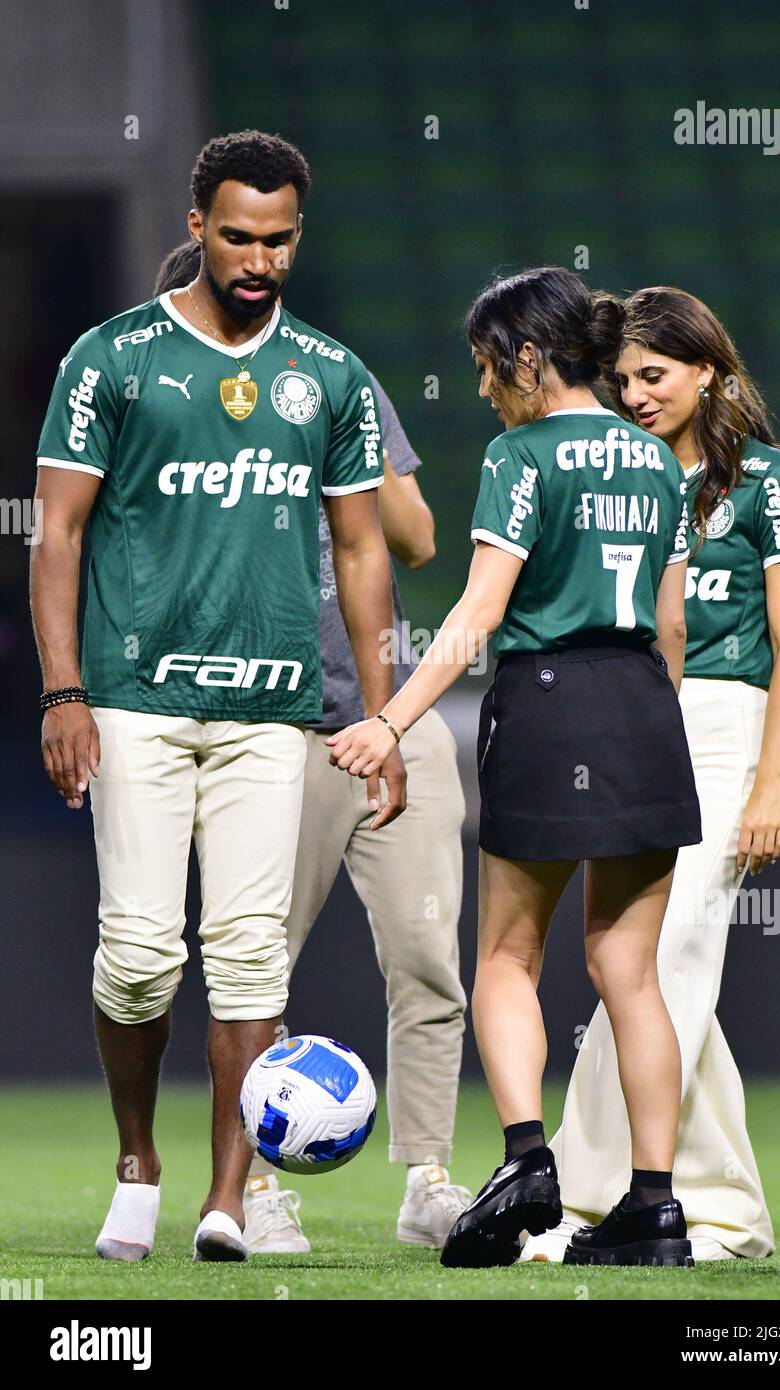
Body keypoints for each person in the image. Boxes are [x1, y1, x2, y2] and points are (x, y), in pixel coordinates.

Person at [30, 130, 405, 1264]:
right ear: (196, 226)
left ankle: (228, 1200)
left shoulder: (329, 375)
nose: (258, 258)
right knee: (139, 955)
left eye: (278, 239)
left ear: (298, 234)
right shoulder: (111, 358)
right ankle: (137, 1159)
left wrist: (381, 717)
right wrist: (63, 689)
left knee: (249, 956)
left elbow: (361, 553)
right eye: (237, 236)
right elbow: (58, 531)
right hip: (137, 696)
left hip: (270, 709)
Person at [327, 266, 703, 1268]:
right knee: (630, 974)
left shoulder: (520, 454)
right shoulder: (658, 459)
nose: (485, 386)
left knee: (505, 958)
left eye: (488, 367)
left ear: (527, 359)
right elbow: (670, 622)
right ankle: (654, 1208)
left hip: (548, 707)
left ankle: (525, 1160)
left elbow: (476, 614)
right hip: (642, 710)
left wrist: (389, 720)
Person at [152, 240, 470, 1253]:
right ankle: (257, 1192)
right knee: (256, 969)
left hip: (387, 721)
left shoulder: (335, 379)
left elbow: (416, 539)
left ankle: (427, 1177)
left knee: (427, 956)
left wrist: (339, 424)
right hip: (261, 725)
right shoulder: (160, 415)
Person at [522, 286, 780, 1263]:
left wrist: (770, 779)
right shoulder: (626, 477)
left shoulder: (771, 482)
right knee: (662, 971)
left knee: (657, 963)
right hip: (638, 715)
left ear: (708, 371)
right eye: (621, 380)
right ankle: (725, 1213)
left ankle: (582, 1200)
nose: (635, 394)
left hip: (725, 724)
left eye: (654, 375)